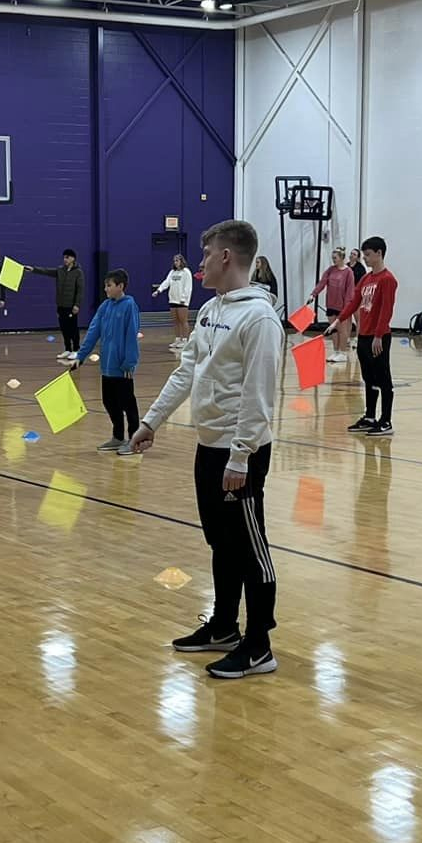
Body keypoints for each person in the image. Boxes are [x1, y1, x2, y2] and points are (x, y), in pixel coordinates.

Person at [132, 220, 283, 679]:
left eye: (205, 255)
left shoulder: (259, 318)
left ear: (226, 258)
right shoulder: (210, 311)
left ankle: (259, 645)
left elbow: (259, 396)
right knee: (221, 542)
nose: (198, 264)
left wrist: (240, 456)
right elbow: (186, 372)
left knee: (250, 547)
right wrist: (151, 420)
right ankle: (223, 626)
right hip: (208, 446)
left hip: (242, 453)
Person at [65, 268, 141, 453]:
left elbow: (131, 335)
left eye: (109, 285)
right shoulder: (105, 307)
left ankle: (134, 440)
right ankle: (117, 436)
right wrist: (80, 357)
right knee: (109, 402)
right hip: (107, 366)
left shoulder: (129, 305)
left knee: (127, 403)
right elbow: (93, 332)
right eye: (105, 285)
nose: (106, 289)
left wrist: (130, 362)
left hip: (123, 366)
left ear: (120, 286)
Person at [327, 236, 397, 435]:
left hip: (379, 336)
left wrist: (378, 335)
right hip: (364, 335)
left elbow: (386, 310)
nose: (364, 258)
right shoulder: (366, 279)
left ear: (379, 253)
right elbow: (353, 303)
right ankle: (370, 416)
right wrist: (337, 321)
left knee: (383, 378)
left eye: (367, 255)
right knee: (369, 377)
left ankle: (386, 420)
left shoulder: (387, 279)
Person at [28, 249, 86, 355]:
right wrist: (33, 269)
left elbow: (80, 290)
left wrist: (77, 305)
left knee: (72, 327)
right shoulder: (60, 270)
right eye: (64, 257)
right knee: (64, 328)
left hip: (71, 306)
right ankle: (67, 349)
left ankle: (76, 350)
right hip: (61, 305)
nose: (65, 259)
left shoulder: (78, 272)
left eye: (67, 257)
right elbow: (46, 271)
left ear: (73, 258)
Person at [316, 248, 355, 364]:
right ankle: (336, 351)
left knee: (342, 330)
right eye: (332, 258)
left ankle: (343, 353)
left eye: (335, 258)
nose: (333, 260)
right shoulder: (330, 270)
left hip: (342, 306)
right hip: (331, 304)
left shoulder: (348, 272)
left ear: (342, 258)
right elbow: (322, 283)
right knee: (333, 330)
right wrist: (314, 294)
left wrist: (347, 307)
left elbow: (350, 291)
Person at [154, 254, 194, 344]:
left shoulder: (186, 272)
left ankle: (185, 340)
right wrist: (159, 290)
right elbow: (166, 282)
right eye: (174, 261)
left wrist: (184, 298)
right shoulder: (172, 272)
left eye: (177, 260)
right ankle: (177, 339)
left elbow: (188, 287)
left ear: (181, 261)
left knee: (183, 320)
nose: (175, 262)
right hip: (173, 299)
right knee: (175, 321)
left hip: (182, 301)